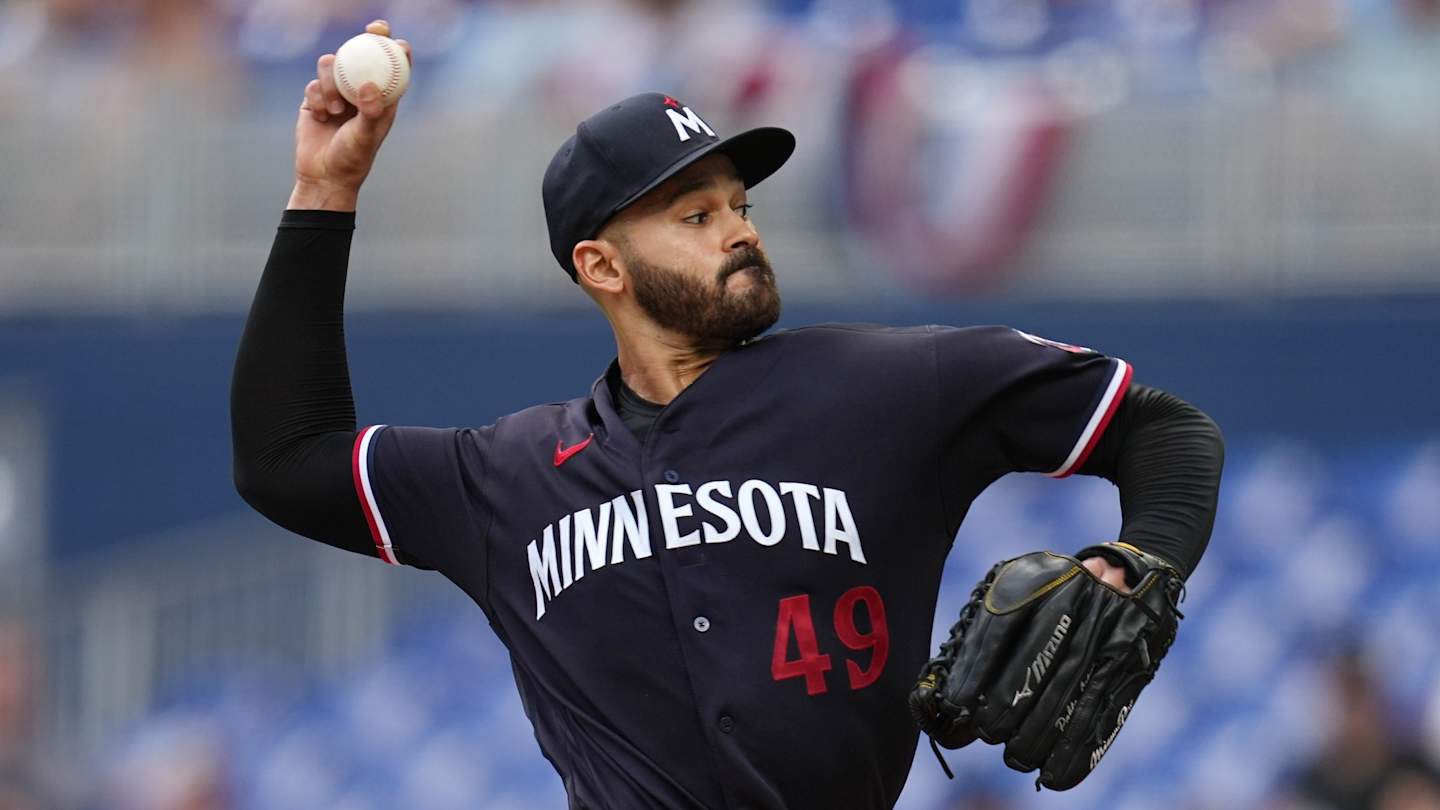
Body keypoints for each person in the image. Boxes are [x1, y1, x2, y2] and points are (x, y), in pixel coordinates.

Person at [230, 19, 1225, 810]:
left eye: (740, 205)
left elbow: (1164, 428)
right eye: (695, 216)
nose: (740, 232)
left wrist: (1138, 558)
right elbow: (286, 458)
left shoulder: (885, 386)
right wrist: (327, 187)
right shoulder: (509, 475)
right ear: (601, 265)